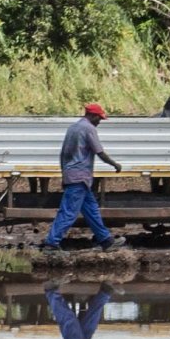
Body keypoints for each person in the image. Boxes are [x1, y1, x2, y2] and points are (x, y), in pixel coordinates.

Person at [44, 101, 124, 251]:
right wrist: (115, 164)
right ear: (92, 116)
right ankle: (51, 243)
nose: (99, 121)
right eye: (99, 118)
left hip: (74, 176)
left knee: (92, 210)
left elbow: (63, 154)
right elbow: (99, 152)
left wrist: (64, 174)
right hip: (79, 177)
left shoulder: (73, 128)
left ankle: (106, 241)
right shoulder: (88, 128)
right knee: (68, 212)